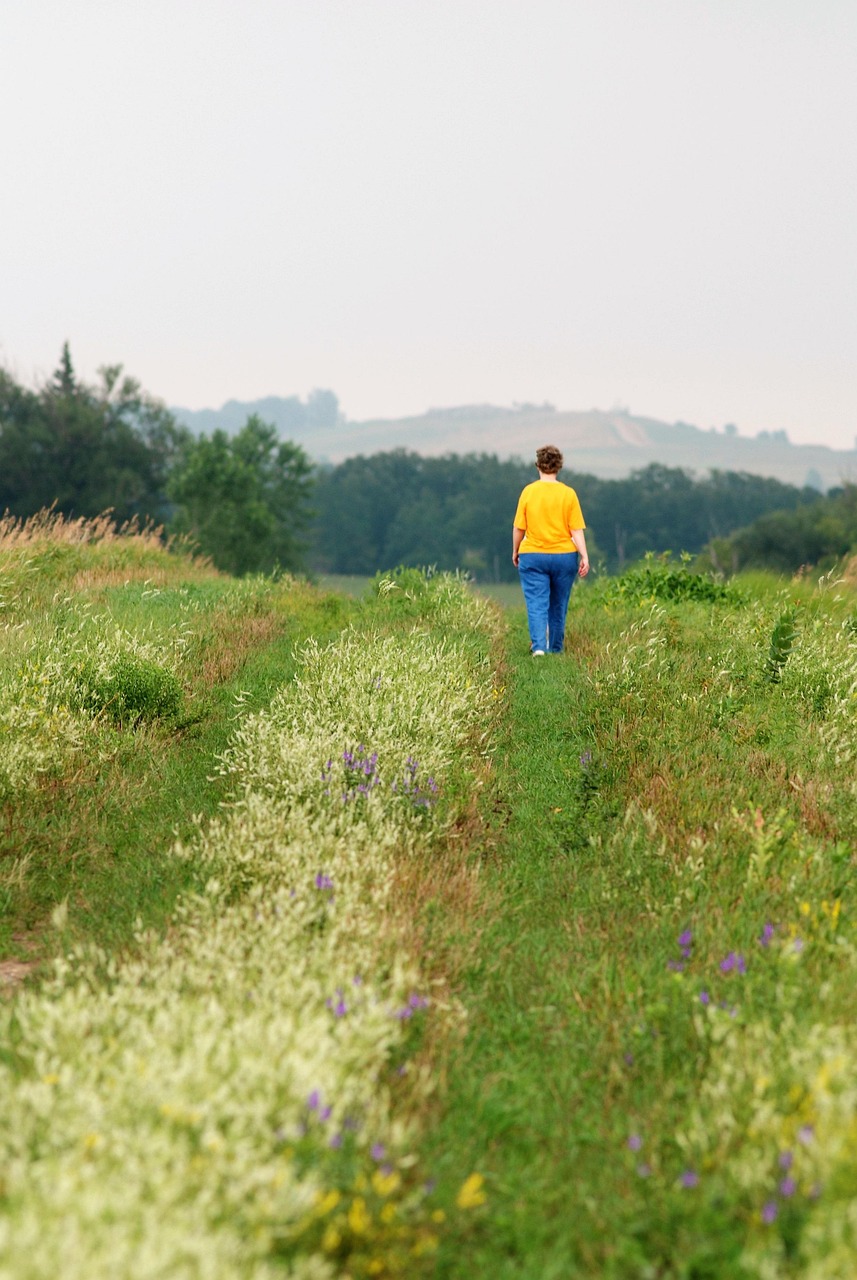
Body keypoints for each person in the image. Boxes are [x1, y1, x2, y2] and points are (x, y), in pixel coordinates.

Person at [512, 444, 589, 655]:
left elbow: (519, 528)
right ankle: (555, 648)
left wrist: (515, 550)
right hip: (564, 556)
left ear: (538, 465)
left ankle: (538, 647)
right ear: (559, 466)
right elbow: (576, 530)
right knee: (558, 604)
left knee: (536, 603)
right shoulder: (568, 494)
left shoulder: (528, 492)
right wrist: (584, 555)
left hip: (533, 555)